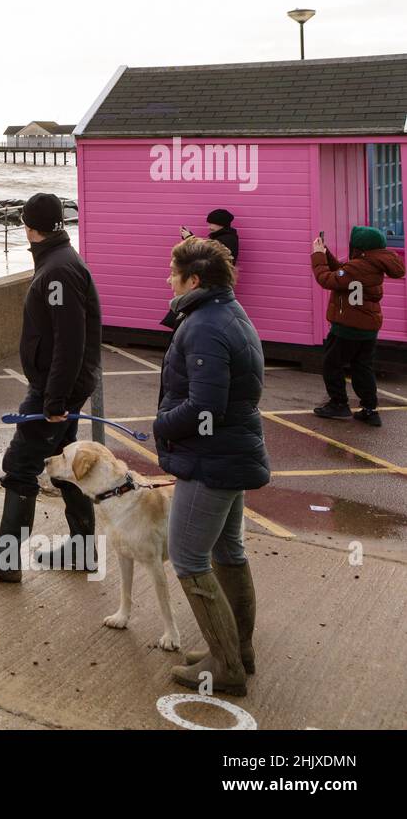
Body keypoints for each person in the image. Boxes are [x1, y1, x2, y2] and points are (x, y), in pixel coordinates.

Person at [0, 193, 102, 581]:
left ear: (29, 226)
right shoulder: (61, 261)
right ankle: (84, 549)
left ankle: (5, 560)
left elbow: (69, 341)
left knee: (20, 465)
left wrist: (54, 398)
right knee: (64, 464)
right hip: (63, 385)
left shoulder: (57, 271)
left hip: (55, 389)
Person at [155, 237, 269, 697]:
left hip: (211, 461)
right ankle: (237, 652)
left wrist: (161, 426)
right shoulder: (230, 312)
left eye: (173, 272)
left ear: (194, 280)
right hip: (231, 453)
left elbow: (206, 407)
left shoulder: (203, 325)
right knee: (228, 552)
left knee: (187, 558)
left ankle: (226, 667)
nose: (168, 279)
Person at [310, 226, 405, 426]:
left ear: (360, 248)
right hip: (368, 327)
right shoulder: (370, 264)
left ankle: (338, 404)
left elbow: (327, 279)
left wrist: (318, 257)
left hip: (347, 327)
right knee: (363, 367)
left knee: (332, 364)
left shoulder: (358, 267)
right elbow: (342, 274)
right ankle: (370, 410)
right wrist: (326, 253)